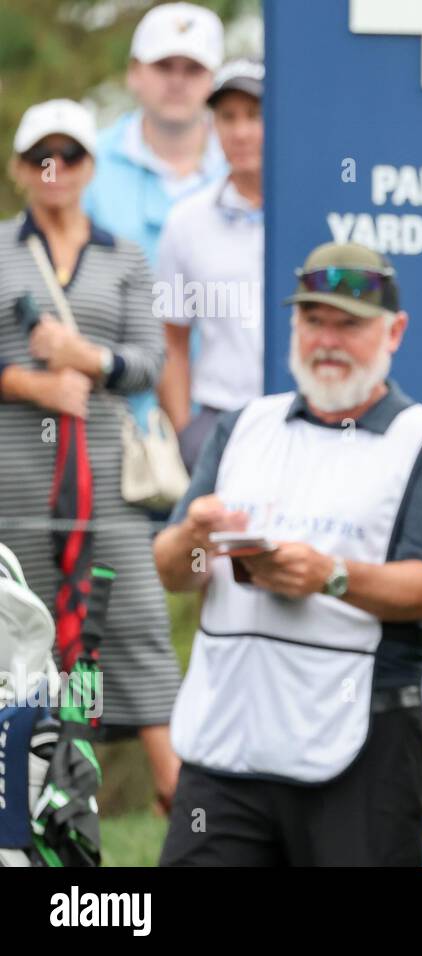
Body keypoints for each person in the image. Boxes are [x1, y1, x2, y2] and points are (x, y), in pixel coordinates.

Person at [153, 242, 422, 865]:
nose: (327, 339)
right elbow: (173, 571)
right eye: (312, 320)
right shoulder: (244, 425)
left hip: (361, 744)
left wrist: (331, 576)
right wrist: (193, 535)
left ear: (394, 331)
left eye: (348, 324)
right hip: (227, 743)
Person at [0, 99, 180, 808]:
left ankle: (192, 834)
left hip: (107, 482)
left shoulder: (124, 255)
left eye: (69, 155)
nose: (55, 170)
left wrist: (87, 358)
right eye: (41, 156)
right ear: (20, 170)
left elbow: (150, 362)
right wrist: (27, 382)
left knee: (135, 633)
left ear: (88, 168)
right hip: (15, 485)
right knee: (18, 649)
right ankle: (35, 830)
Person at [82, 2, 226, 427]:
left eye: (193, 69)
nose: (178, 81)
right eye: (165, 66)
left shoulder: (249, 169)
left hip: (223, 418)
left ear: (213, 81)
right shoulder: (85, 163)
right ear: (135, 73)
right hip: (109, 414)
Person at [157, 58, 265, 470]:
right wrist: (187, 432)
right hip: (219, 418)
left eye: (255, 116)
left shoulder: (313, 213)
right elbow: (172, 339)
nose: (241, 132)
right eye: (227, 117)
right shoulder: (185, 221)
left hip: (308, 418)